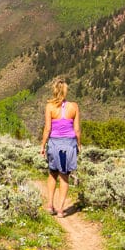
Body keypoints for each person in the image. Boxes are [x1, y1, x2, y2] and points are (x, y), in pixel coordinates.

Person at [40, 77, 81, 218]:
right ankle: (60, 210)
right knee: (64, 177)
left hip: (54, 144)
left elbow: (47, 128)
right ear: (65, 91)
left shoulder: (50, 107)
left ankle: (50, 205)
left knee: (52, 174)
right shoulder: (74, 107)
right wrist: (79, 145)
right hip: (69, 144)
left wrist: (43, 145)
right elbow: (77, 130)